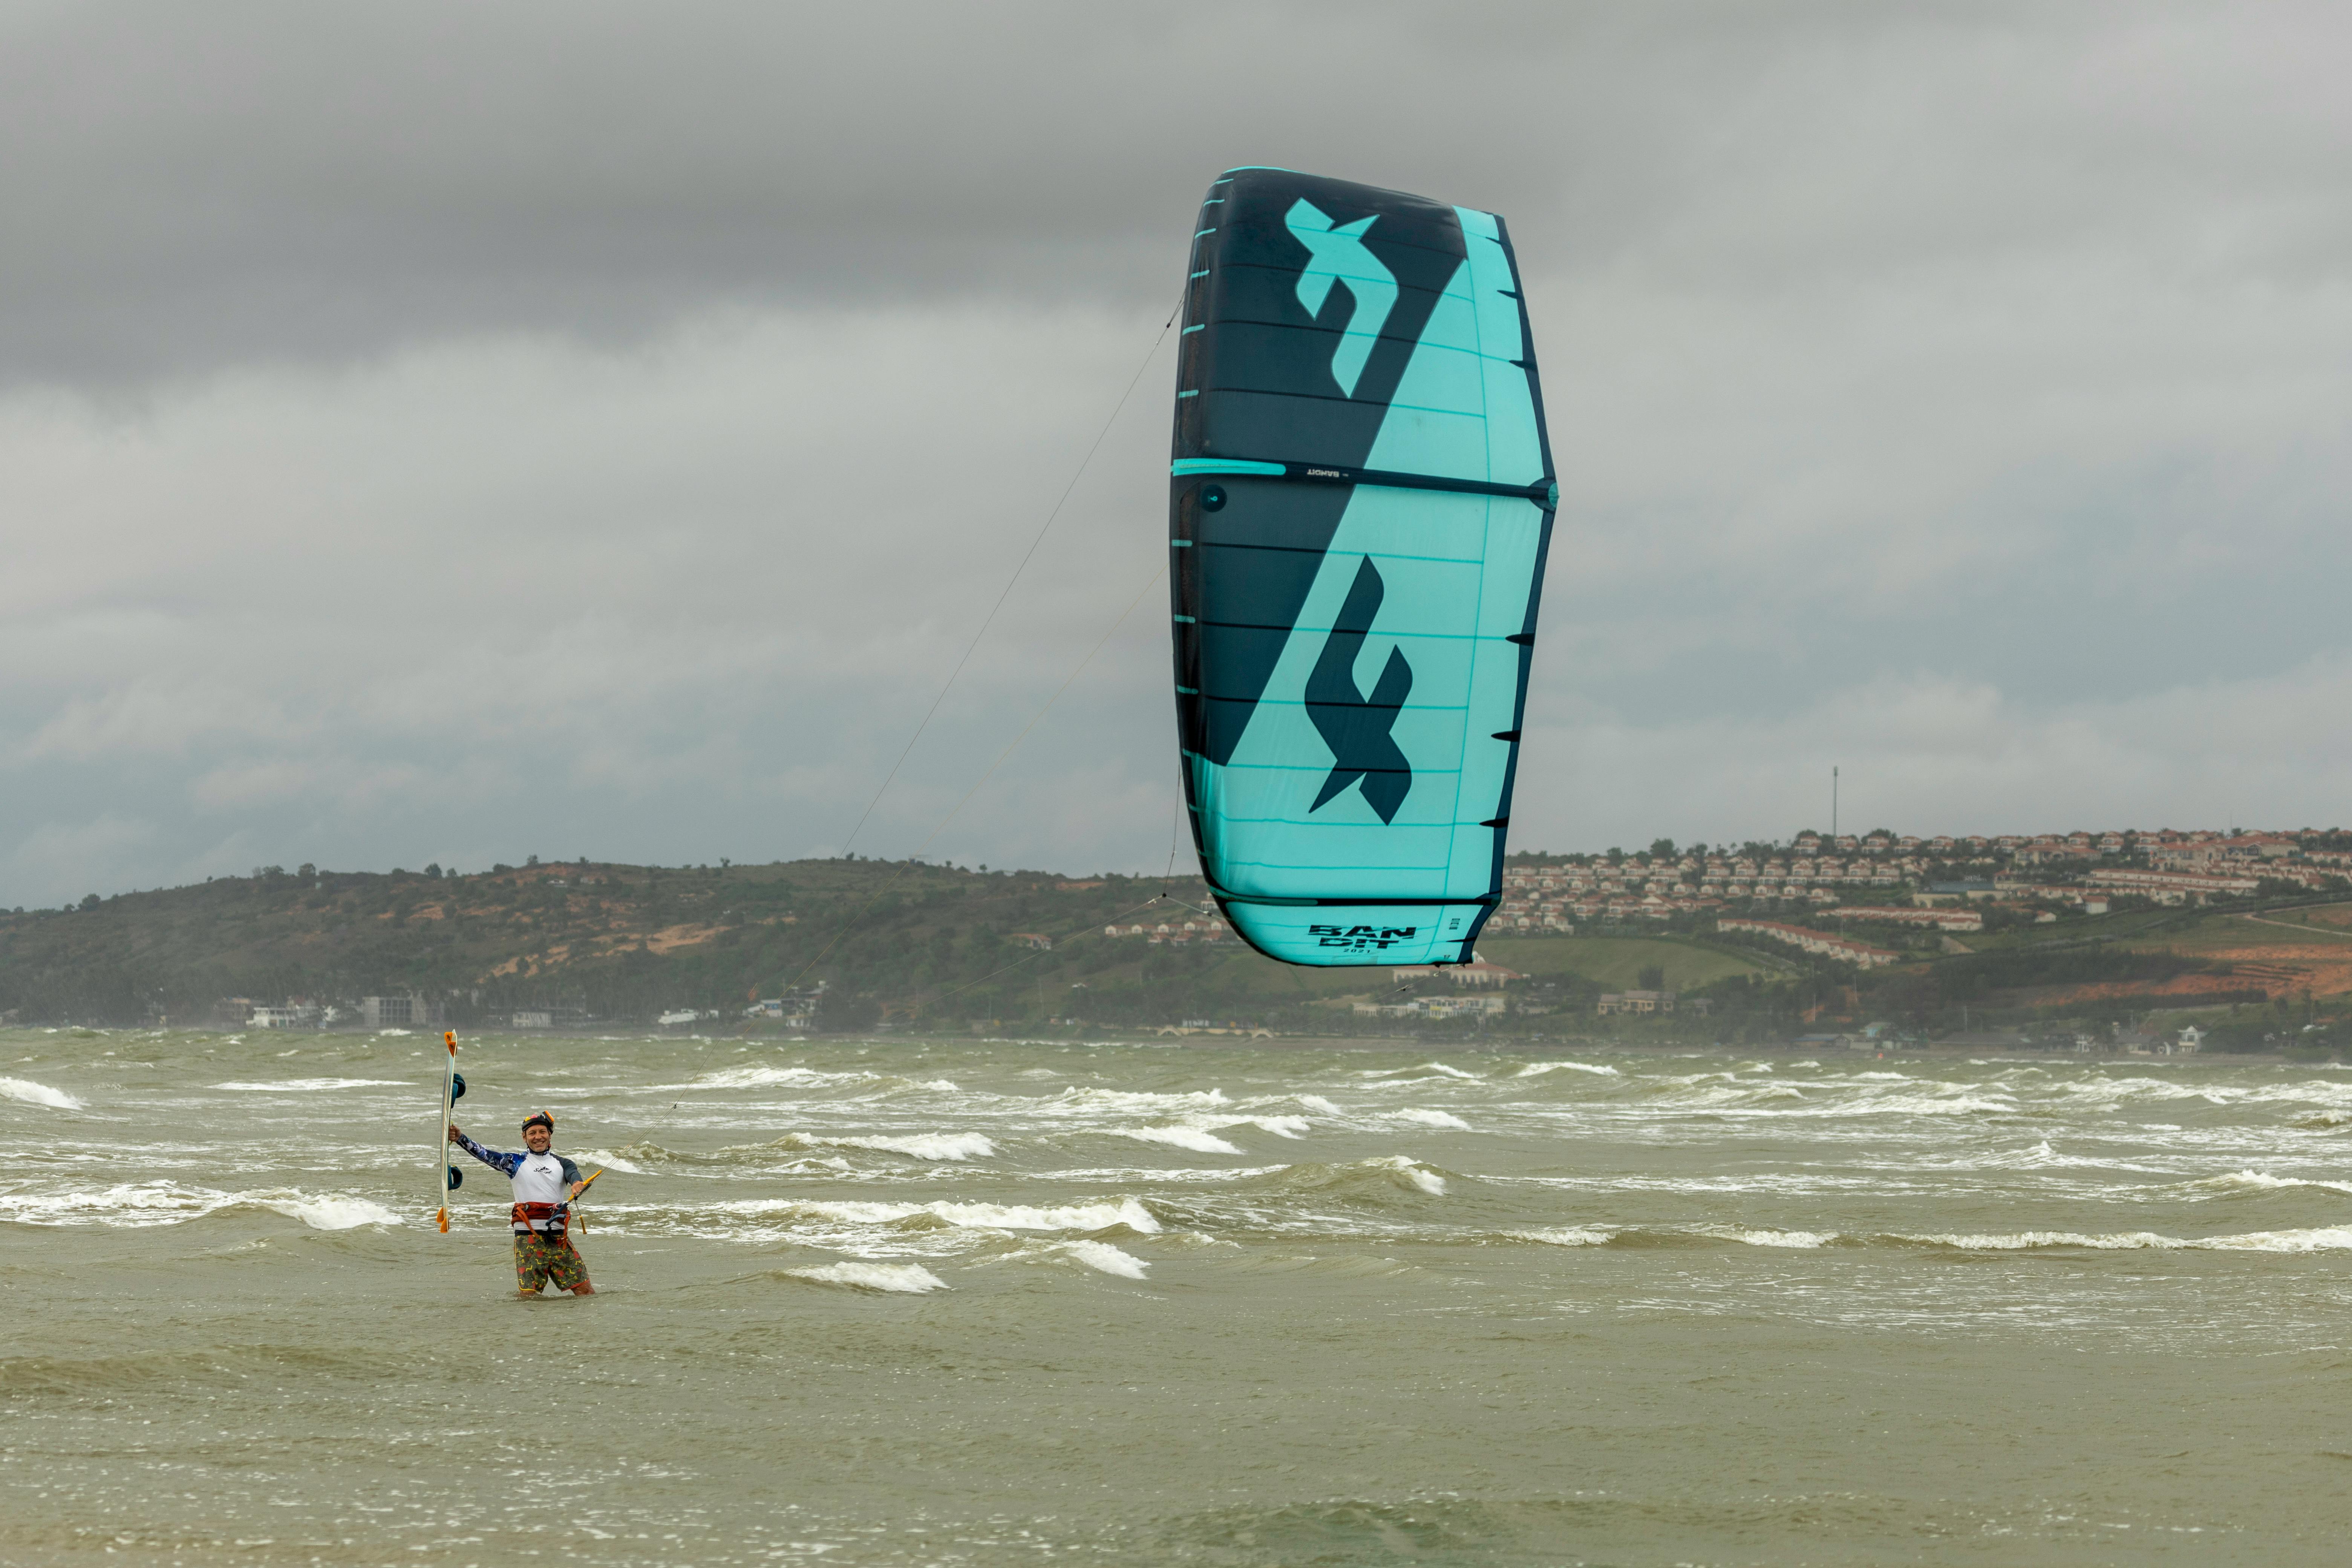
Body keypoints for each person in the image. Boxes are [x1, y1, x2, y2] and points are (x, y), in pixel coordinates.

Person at [449, 1111, 596, 1297]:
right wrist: (460, 1138)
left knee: (586, 1292)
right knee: (529, 1298)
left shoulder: (563, 1163)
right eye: (532, 1133)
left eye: (542, 1132)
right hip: (528, 1239)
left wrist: (577, 1184)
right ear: (524, 1137)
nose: (538, 1137)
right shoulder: (514, 1162)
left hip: (558, 1239)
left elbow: (573, 1175)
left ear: (550, 1135)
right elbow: (484, 1154)